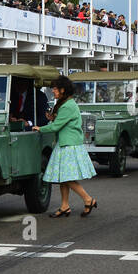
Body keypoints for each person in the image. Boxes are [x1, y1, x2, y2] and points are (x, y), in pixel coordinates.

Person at [42, 74, 97, 217]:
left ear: (62, 90)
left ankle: (88, 199)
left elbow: (55, 127)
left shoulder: (67, 106)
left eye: (55, 89)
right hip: (66, 143)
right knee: (63, 177)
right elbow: (60, 122)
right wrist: (53, 118)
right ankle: (65, 206)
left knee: (66, 178)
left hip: (69, 145)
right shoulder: (65, 104)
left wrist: (39, 128)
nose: (53, 91)